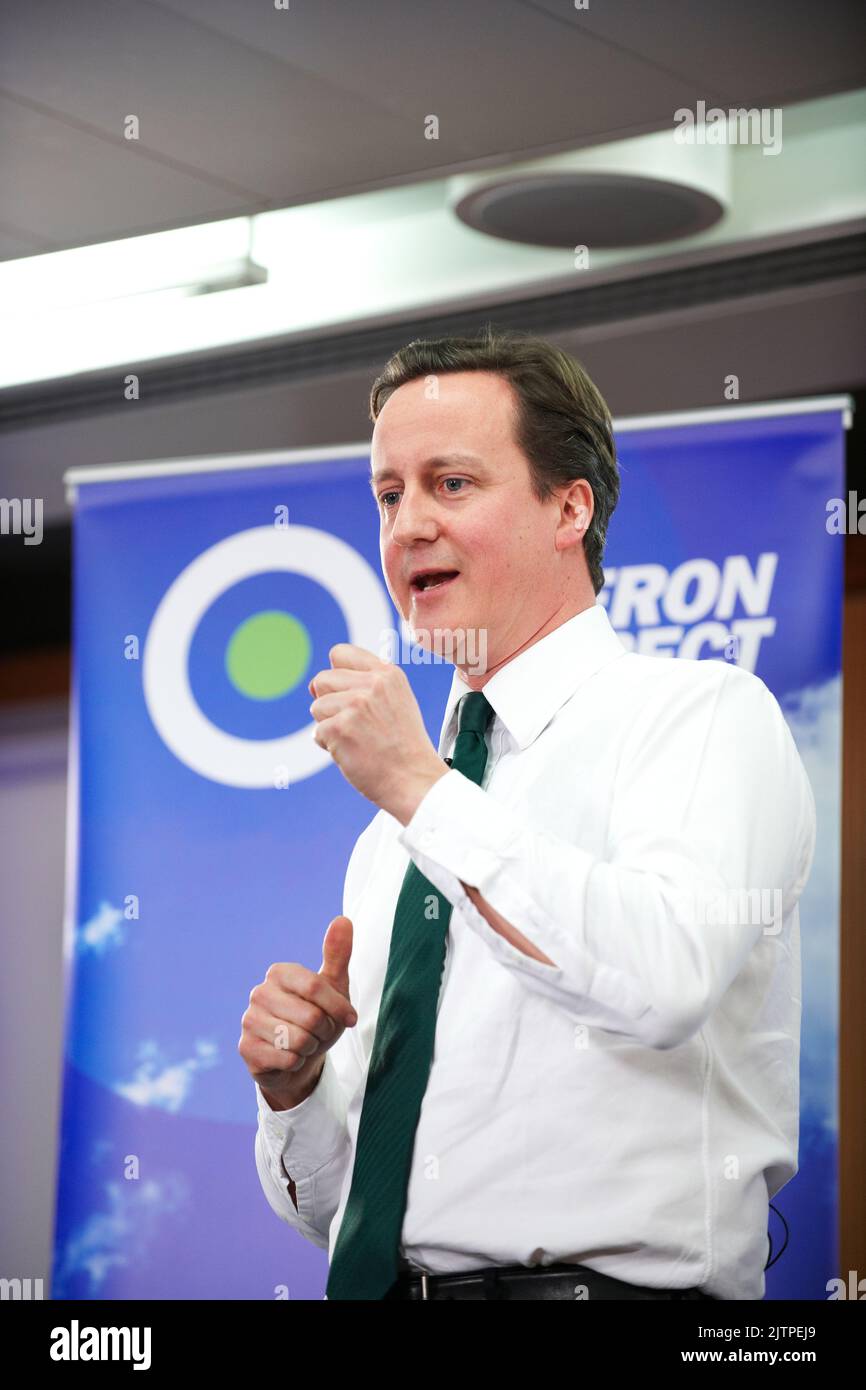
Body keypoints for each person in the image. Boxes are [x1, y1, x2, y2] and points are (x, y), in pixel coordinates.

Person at [239, 326, 816, 1301]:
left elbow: (660, 978)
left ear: (567, 506)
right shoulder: (395, 838)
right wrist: (293, 1095)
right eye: (388, 494)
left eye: (450, 484)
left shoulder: (699, 717)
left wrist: (422, 791)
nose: (407, 525)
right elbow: (351, 1216)